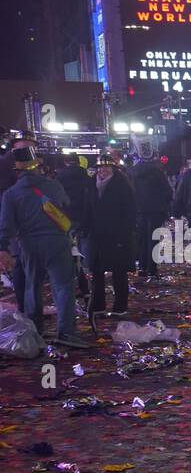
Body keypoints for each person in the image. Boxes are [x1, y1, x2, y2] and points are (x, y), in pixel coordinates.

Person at [0, 143, 87, 348]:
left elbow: (6, 226)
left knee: (32, 286)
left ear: (18, 170)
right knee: (63, 287)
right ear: (38, 166)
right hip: (57, 242)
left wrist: (3, 247)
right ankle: (65, 332)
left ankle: (35, 330)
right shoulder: (53, 186)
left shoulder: (10, 195)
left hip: (28, 245)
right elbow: (66, 206)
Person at [85, 155, 137, 316]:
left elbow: (130, 211)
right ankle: (98, 305)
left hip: (117, 233)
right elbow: (85, 207)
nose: (103, 170)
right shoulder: (90, 185)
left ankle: (120, 306)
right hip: (96, 234)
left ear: (113, 169)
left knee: (119, 271)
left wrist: (125, 232)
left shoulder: (122, 185)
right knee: (96, 272)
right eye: (100, 168)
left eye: (107, 167)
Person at [0, 134, 37, 312]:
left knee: (31, 268)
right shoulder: (6, 164)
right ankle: (25, 308)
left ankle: (32, 308)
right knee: (21, 266)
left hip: (32, 222)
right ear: (15, 146)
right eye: (25, 145)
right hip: (16, 224)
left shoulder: (31, 163)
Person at [127, 140, 172, 277]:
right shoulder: (158, 173)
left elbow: (128, 193)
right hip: (155, 211)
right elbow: (168, 192)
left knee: (141, 239)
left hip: (138, 211)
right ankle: (152, 267)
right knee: (153, 239)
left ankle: (142, 266)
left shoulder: (132, 173)